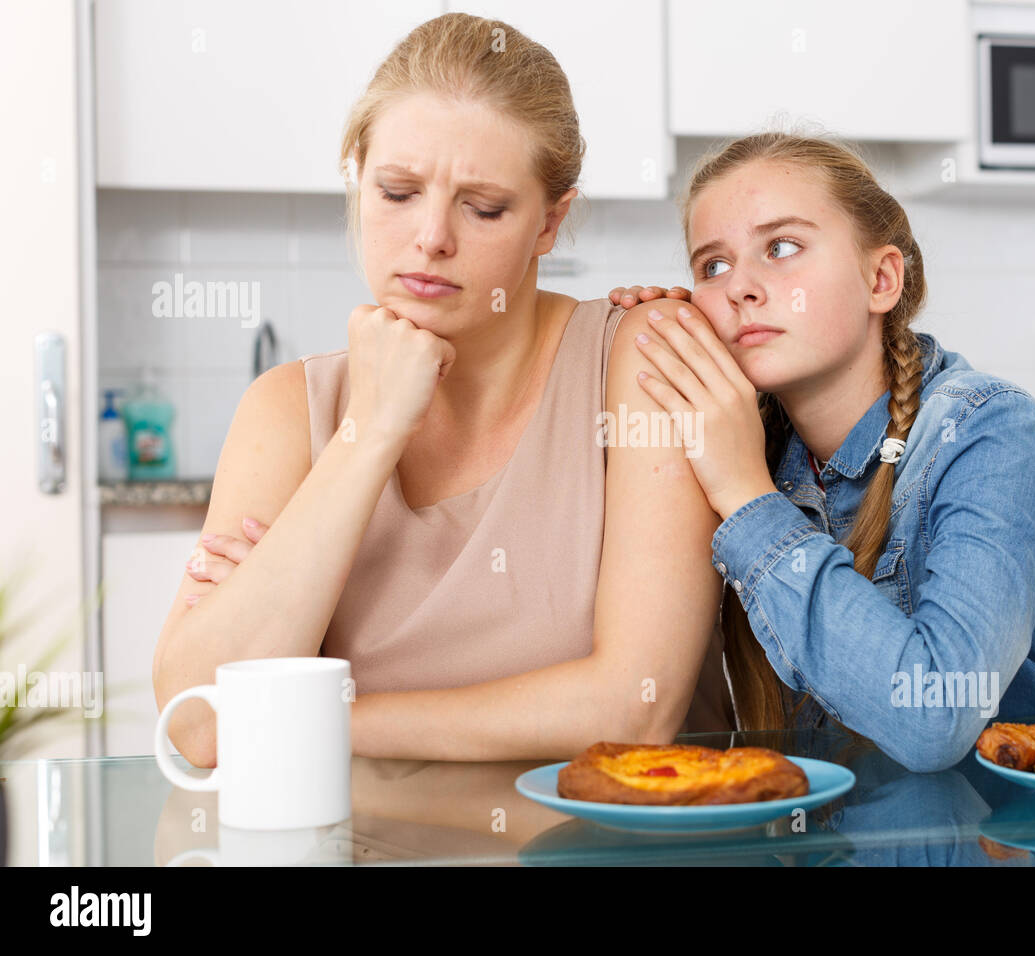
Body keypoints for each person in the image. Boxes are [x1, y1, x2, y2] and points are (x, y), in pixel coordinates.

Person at [152, 13, 734, 767]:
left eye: (483, 208)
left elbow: (634, 709)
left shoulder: (640, 361)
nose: (431, 237)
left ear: (551, 221)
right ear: (356, 177)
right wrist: (372, 430)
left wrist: (302, 719)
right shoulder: (286, 409)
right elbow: (198, 728)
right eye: (396, 192)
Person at [606, 131, 1035, 773]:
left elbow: (935, 718)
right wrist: (644, 341)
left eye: (781, 248)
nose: (740, 289)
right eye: (713, 266)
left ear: (881, 278)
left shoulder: (991, 429)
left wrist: (746, 497)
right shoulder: (746, 437)